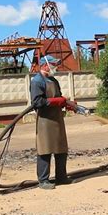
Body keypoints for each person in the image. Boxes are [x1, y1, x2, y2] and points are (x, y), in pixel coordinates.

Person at [30, 55, 74, 189]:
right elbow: (37, 102)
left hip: (57, 119)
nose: (55, 67)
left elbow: (59, 97)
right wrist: (55, 101)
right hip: (45, 121)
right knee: (45, 150)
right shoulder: (37, 81)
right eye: (53, 65)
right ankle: (43, 180)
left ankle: (61, 177)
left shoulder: (53, 80)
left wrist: (67, 103)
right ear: (45, 66)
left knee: (61, 148)